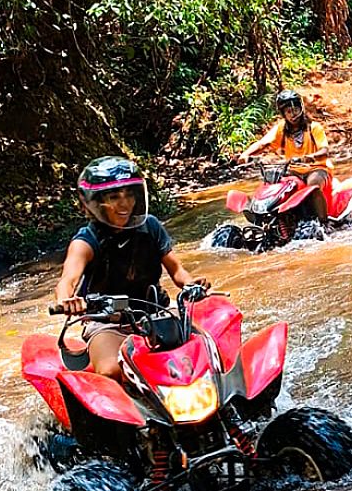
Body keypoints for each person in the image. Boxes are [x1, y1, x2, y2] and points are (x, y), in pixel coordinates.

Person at [53, 156, 208, 380]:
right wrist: (66, 301)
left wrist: (191, 284)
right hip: (106, 323)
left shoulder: (151, 227)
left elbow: (177, 271)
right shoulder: (85, 241)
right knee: (111, 369)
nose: (124, 204)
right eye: (114, 197)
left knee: (204, 346)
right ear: (95, 203)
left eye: (129, 195)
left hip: (155, 314)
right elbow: (67, 280)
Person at [236, 90, 332, 190]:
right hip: (292, 171)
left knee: (313, 186)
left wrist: (309, 157)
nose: (293, 114)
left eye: (295, 110)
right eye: (288, 112)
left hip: (316, 169)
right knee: (272, 186)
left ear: (301, 109)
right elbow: (263, 144)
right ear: (284, 114)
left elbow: (324, 151)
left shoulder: (314, 127)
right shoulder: (281, 129)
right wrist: (245, 155)